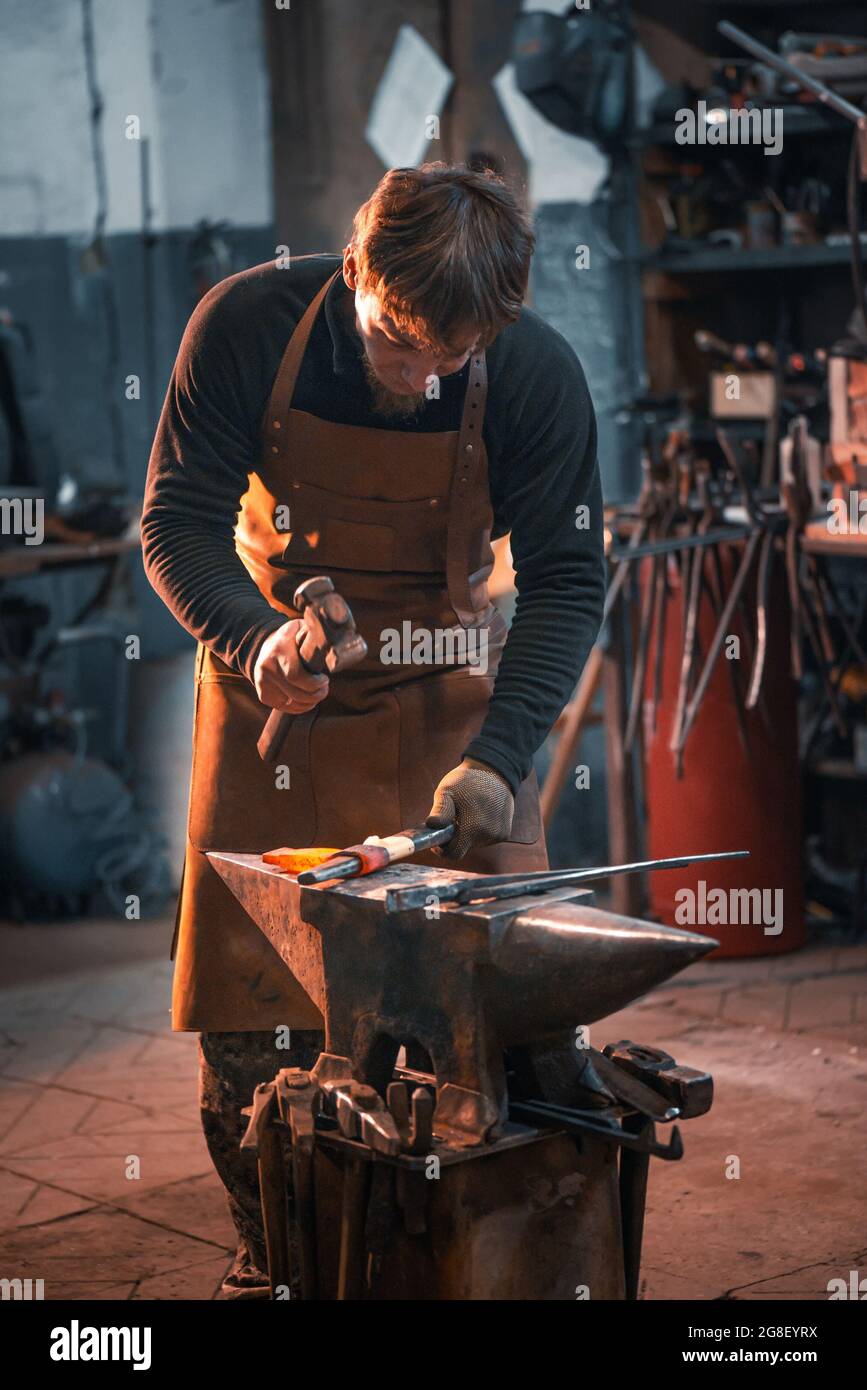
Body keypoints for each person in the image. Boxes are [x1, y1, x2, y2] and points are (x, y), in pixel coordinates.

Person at [142, 162, 604, 1295]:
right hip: (275, 704)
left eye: (454, 357)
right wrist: (256, 639)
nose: (425, 374)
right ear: (356, 269)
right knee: (262, 1022)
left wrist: (501, 758)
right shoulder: (246, 323)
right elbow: (177, 521)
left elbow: (566, 580)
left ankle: (484, 1257)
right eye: (403, 342)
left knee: (508, 1015)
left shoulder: (533, 372)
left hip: (452, 712)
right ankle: (278, 1256)